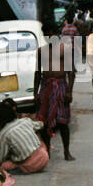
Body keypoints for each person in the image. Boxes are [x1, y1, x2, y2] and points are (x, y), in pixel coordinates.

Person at [36, 24, 75, 162]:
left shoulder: (65, 50)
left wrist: (69, 91)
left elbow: (71, 72)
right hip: (46, 86)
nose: (48, 36)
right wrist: (36, 92)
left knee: (63, 122)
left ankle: (67, 151)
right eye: (45, 33)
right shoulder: (41, 51)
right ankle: (47, 150)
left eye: (50, 32)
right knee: (44, 122)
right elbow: (38, 73)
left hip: (61, 86)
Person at [0, 99, 49, 174]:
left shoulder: (3, 134)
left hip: (31, 165)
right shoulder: (25, 121)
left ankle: (23, 168)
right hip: (44, 156)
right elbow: (42, 125)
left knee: (3, 165)